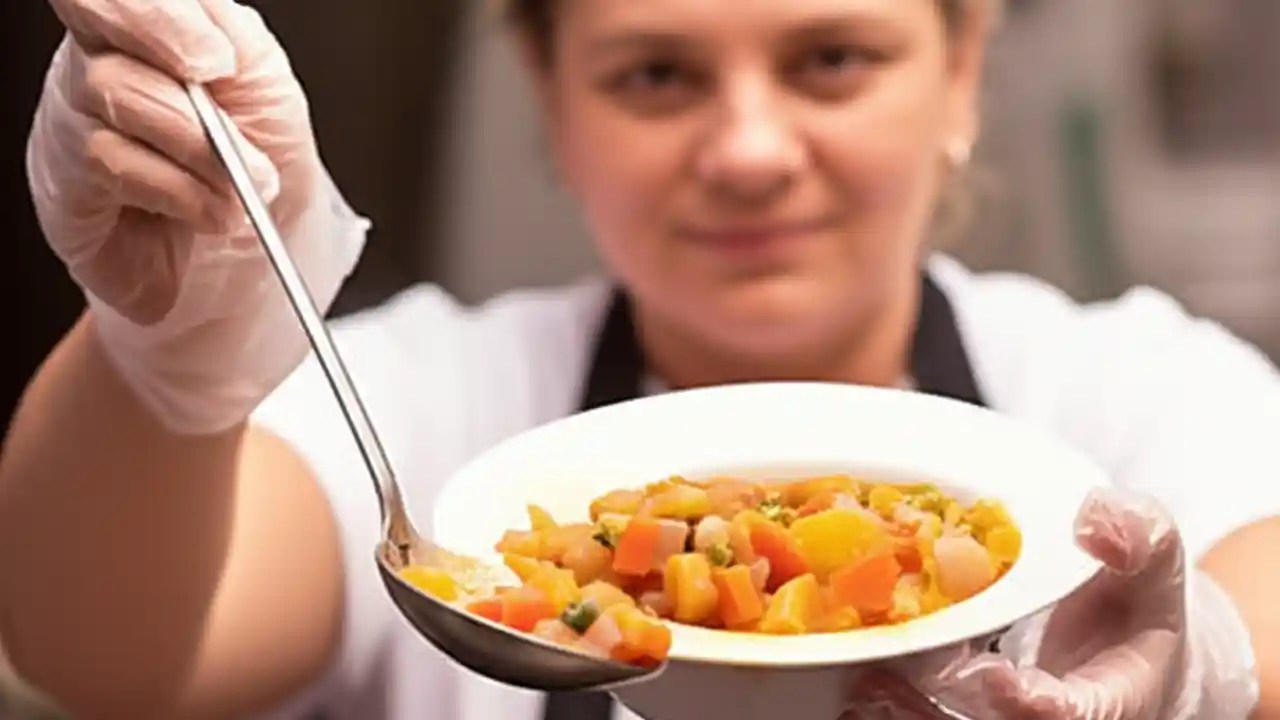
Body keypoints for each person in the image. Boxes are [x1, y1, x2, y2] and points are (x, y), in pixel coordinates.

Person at [0, 0, 1276, 718]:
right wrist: (169, 360)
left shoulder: (1143, 387)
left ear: (959, 76)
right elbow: (114, 658)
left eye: (830, 60)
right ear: (553, 106)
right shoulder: (421, 395)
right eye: (656, 75)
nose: (748, 150)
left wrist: (1195, 679)